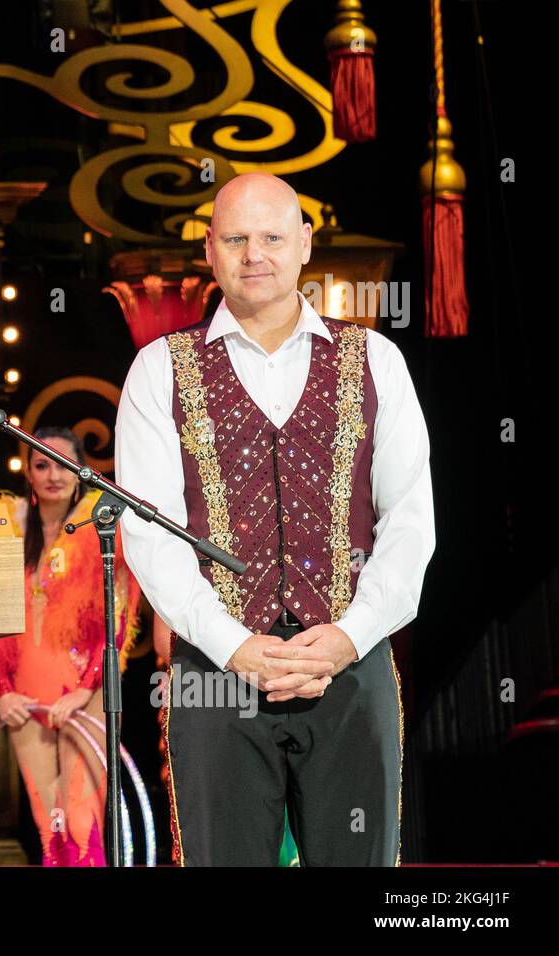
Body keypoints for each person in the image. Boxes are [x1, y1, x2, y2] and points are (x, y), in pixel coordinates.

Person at [115, 172, 434, 866]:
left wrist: (348, 637)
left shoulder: (376, 359)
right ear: (209, 250)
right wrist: (233, 646)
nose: (253, 254)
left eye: (270, 237)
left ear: (304, 244)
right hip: (215, 675)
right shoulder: (158, 371)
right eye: (235, 238)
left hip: (351, 668)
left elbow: (409, 523)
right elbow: (150, 532)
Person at [0, 427, 141, 866]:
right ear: (28, 473)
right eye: (41, 465)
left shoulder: (101, 529)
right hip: (25, 692)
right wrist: (2, 689)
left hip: (85, 695)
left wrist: (88, 689)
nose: (53, 475)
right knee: (48, 823)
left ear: (82, 472)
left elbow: (119, 617)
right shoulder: (7, 527)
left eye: (63, 465)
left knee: (82, 819)